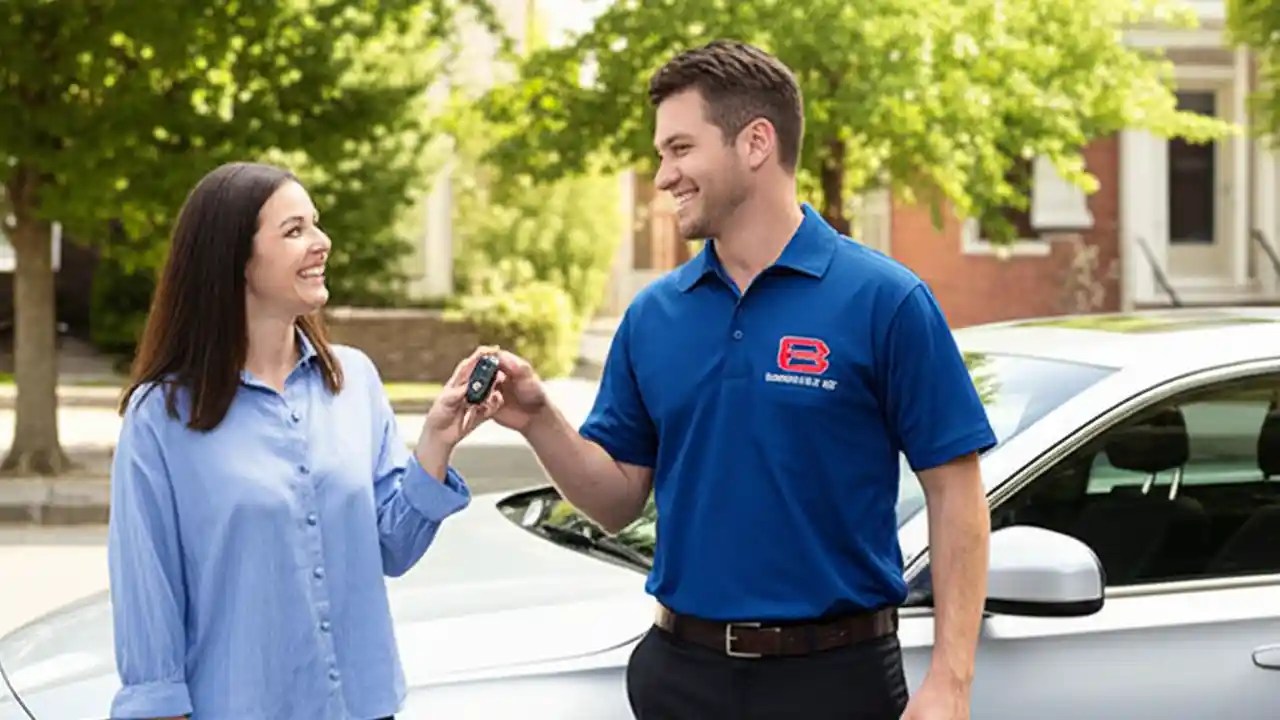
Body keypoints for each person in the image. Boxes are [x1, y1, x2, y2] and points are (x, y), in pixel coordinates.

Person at [487, 40, 995, 719]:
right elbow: (615, 504)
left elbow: (955, 491)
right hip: (681, 677)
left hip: (835, 683)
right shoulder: (653, 316)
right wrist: (538, 420)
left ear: (756, 142)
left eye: (680, 149)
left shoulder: (886, 301)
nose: (663, 175)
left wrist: (951, 680)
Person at [106, 161, 503, 720]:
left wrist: (437, 442)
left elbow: (392, 549)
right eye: (294, 231)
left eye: (315, 224)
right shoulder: (161, 417)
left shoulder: (355, 380)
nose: (322, 243)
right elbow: (149, 608)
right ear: (234, 261)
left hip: (365, 707)